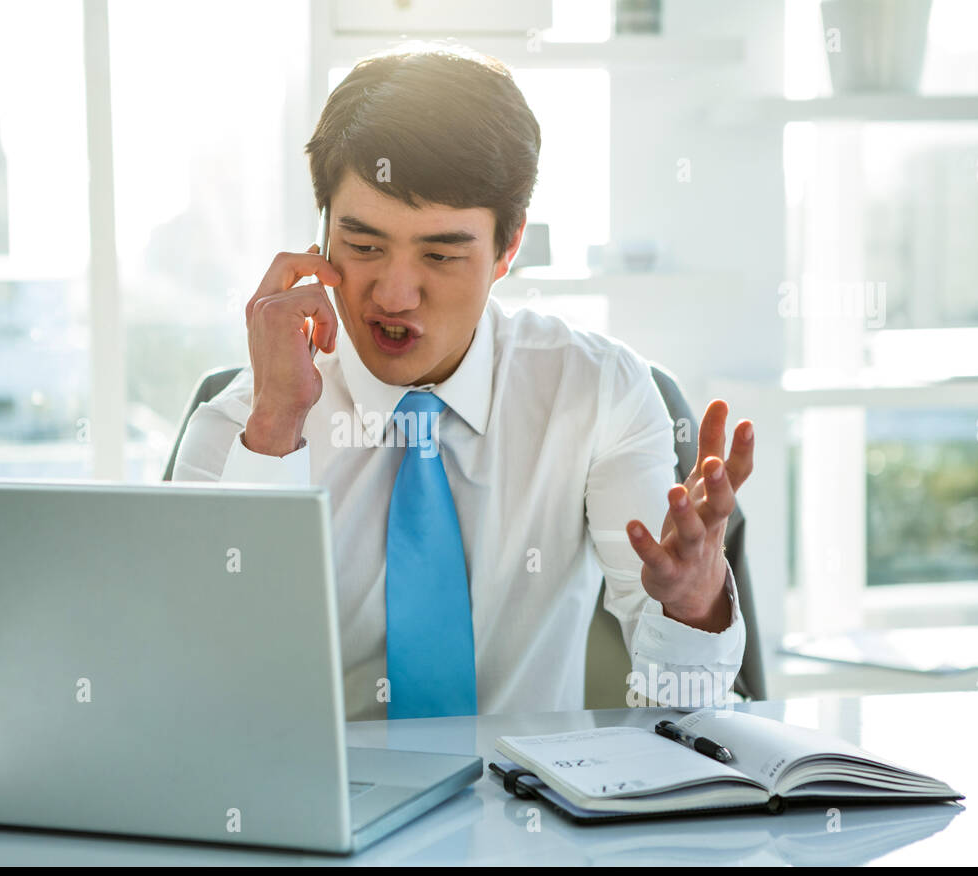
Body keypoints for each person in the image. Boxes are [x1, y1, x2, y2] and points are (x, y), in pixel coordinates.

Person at [172, 42, 753, 721]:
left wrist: (691, 607)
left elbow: (686, 705)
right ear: (320, 235)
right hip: (317, 817)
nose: (393, 294)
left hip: (535, 813)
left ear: (508, 250)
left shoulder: (597, 392)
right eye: (362, 246)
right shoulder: (235, 429)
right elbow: (203, 701)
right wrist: (273, 430)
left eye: (441, 254)